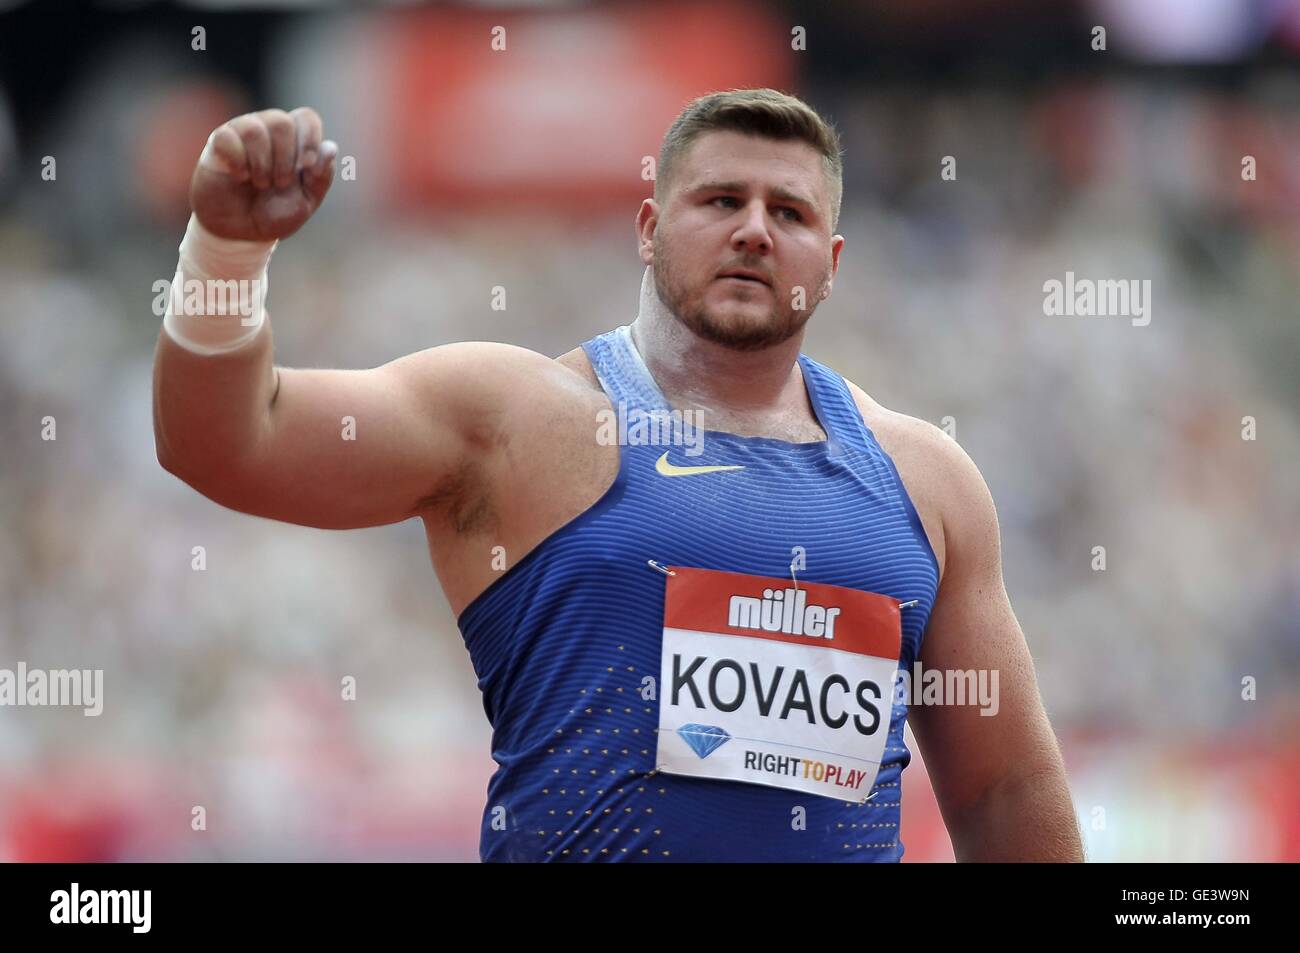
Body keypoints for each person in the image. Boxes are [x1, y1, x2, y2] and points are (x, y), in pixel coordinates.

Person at [153, 88, 1084, 862]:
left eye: (790, 212)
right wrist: (227, 250)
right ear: (648, 228)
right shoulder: (518, 419)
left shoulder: (924, 483)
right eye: (720, 201)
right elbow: (227, 442)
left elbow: (1005, 790)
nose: (755, 231)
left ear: (831, 264)